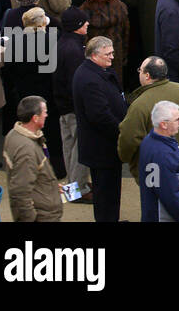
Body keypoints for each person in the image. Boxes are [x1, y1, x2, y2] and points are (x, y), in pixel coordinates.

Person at [72, 36, 127, 222]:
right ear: (95, 55)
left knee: (110, 192)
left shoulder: (96, 72)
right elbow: (100, 116)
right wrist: (122, 132)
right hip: (101, 148)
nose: (112, 57)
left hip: (105, 146)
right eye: (108, 53)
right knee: (105, 194)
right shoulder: (89, 79)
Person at [1, 95, 63, 222]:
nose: (46, 115)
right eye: (44, 112)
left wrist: (50, 185)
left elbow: (32, 175)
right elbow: (20, 192)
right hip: (43, 216)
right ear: (35, 118)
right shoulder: (27, 150)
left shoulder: (13, 134)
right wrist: (30, 218)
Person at [138, 100, 179, 222]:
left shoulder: (150, 140)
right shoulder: (163, 154)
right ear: (163, 124)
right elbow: (171, 197)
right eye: (177, 119)